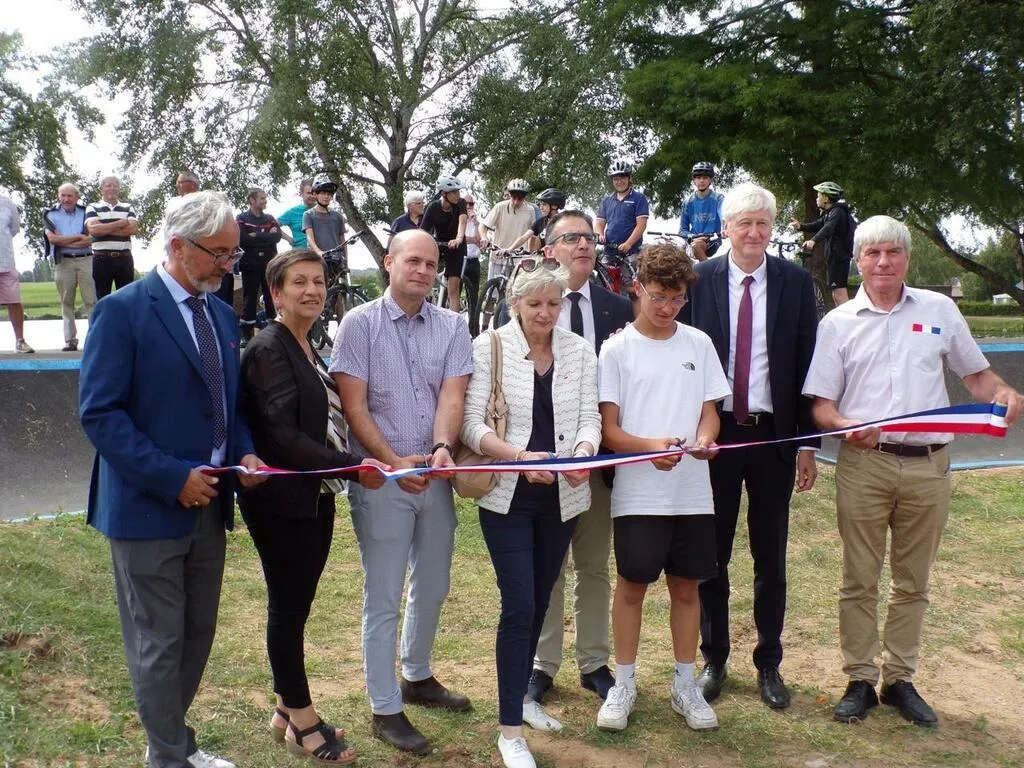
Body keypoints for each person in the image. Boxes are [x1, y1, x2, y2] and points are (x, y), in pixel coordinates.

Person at [802, 215, 1024, 727]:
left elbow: (977, 376)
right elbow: (821, 407)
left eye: (893, 253)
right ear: (857, 260)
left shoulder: (939, 309)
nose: (883, 262)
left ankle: (899, 678)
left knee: (913, 581)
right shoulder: (837, 324)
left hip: (929, 467)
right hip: (864, 466)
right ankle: (859, 678)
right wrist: (845, 425)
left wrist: (1003, 393)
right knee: (859, 578)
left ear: (906, 259)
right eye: (873, 253)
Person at [79, 190, 266, 768]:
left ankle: (170, 743)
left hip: (209, 505)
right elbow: (100, 415)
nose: (229, 265)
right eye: (220, 254)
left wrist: (246, 455)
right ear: (178, 246)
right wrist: (172, 477)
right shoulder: (123, 311)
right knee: (159, 642)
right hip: (147, 508)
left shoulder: (222, 313)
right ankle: (167, 757)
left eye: (234, 255)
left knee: (196, 633)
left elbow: (226, 406)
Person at [239, 249, 389, 765]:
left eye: (319, 282)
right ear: (275, 293)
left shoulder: (306, 346)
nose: (312, 291)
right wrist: (351, 465)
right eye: (298, 282)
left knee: (297, 605)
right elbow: (280, 438)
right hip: (283, 500)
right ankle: (302, 719)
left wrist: (342, 468)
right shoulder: (268, 348)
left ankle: (285, 710)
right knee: (288, 606)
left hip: (315, 495)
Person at [330, 229, 474, 755]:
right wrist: (392, 463)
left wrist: (441, 448)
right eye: (411, 260)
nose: (421, 270)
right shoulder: (358, 325)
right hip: (382, 478)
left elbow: (452, 395)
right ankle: (385, 705)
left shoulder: (454, 326)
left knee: (433, 583)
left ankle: (416, 674)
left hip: (434, 473)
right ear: (388, 262)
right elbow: (355, 407)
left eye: (431, 263)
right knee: (385, 594)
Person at [681, 182, 820, 711]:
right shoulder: (701, 280)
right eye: (745, 223)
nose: (754, 232)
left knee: (771, 556)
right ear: (726, 228)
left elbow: (807, 366)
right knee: (710, 552)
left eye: (763, 223)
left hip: (775, 437)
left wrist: (807, 443)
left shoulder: (794, 281)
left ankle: (770, 662)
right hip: (717, 437)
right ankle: (714, 657)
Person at [462, 256, 601, 768]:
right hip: (507, 496)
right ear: (514, 303)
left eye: (554, 303)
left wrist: (584, 454)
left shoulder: (580, 350)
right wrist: (519, 459)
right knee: (519, 605)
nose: (546, 313)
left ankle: (522, 695)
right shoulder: (489, 346)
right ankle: (510, 729)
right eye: (535, 303)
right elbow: (471, 427)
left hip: (562, 498)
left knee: (541, 599)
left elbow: (590, 419)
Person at [595, 243, 731, 733]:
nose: (667, 308)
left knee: (687, 587)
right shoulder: (616, 349)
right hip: (637, 492)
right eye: (658, 297)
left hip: (694, 491)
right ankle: (623, 685)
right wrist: (650, 446)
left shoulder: (698, 344)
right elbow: (609, 431)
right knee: (631, 586)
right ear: (637, 288)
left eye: (676, 299)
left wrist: (706, 440)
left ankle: (684, 683)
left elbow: (710, 412)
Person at [520, 211, 632, 706]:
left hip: (600, 459)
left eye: (589, 237)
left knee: (592, 564)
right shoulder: (529, 308)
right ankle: (543, 665)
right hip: (541, 460)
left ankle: (594, 661)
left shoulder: (618, 308)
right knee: (549, 566)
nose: (583, 245)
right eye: (570, 238)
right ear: (549, 250)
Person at [43, 182, 96, 351]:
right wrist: (78, 238)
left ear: (77, 197)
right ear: (58, 196)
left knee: (91, 301)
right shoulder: (50, 214)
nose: (66, 199)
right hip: (63, 262)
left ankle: (95, 338)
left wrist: (65, 239)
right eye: (62, 195)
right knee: (67, 301)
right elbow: (53, 240)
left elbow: (90, 239)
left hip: (86, 259)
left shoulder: (87, 212)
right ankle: (70, 340)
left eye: (69, 196)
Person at [789, 181, 856, 306]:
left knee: (840, 293)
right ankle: (841, 322)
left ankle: (847, 324)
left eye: (819, 195)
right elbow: (818, 225)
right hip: (834, 257)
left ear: (826, 197)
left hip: (839, 257)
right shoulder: (830, 213)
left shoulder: (838, 212)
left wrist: (813, 240)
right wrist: (800, 226)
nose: (816, 198)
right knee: (836, 294)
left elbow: (828, 228)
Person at [237, 188, 283, 345]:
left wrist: (256, 235)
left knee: (271, 297)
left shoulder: (270, 218)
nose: (265, 201)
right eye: (262, 198)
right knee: (249, 298)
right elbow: (243, 239)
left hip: (269, 264)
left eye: (265, 198)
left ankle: (273, 331)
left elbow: (277, 237)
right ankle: (246, 335)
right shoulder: (241, 218)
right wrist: (266, 235)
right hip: (250, 265)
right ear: (252, 200)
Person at [419, 176, 468, 314]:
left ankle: (454, 324)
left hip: (456, 246)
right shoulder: (433, 207)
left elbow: (463, 222)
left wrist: (458, 238)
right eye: (454, 192)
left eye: (458, 192)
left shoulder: (461, 203)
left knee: (453, 288)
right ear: (443, 194)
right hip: (439, 244)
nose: (458, 195)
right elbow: (423, 232)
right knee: (425, 275)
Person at [86, 174, 138, 299]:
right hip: (101, 259)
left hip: (124, 258)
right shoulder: (93, 207)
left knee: (127, 298)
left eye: (115, 185)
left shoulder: (128, 207)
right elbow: (93, 230)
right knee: (102, 298)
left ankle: (125, 320)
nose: (112, 188)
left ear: (119, 189)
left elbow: (133, 229)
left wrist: (104, 228)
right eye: (108, 185)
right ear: (101, 189)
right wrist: (120, 223)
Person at [595, 160, 649, 258]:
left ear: (629, 178)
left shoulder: (639, 198)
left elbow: (641, 225)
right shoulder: (606, 200)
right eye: (616, 179)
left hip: (632, 252)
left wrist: (628, 243)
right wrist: (600, 234)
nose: (619, 182)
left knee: (632, 273)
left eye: (623, 177)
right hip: (609, 251)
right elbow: (599, 222)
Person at [0, 192, 33, 352]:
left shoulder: (7, 203)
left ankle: (20, 341)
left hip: (6, 261)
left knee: (14, 301)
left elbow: (14, 229)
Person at [679, 161, 724, 262]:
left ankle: (706, 272)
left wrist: (725, 228)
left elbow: (724, 217)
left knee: (697, 247)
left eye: (705, 178)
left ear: (710, 180)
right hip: (694, 239)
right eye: (698, 178)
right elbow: (682, 230)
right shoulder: (687, 202)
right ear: (694, 180)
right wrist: (692, 237)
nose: (702, 181)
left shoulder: (719, 199)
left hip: (713, 239)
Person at [481, 179, 536, 251]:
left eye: (520, 199)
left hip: (519, 256)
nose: (516, 202)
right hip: (498, 255)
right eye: (514, 198)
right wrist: (484, 236)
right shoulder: (500, 207)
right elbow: (483, 225)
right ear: (510, 195)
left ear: (525, 197)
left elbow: (532, 234)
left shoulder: (530, 210)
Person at [303, 175, 347, 258]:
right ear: (315, 195)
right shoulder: (308, 214)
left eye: (329, 194)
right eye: (323, 193)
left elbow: (342, 240)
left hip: (336, 259)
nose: (326, 197)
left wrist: (345, 261)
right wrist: (318, 252)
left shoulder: (338, 216)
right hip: (317, 258)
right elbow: (309, 237)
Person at [510, 188, 566, 253]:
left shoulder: (564, 222)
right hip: (546, 261)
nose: (541, 207)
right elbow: (524, 237)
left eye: (544, 204)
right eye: (540, 204)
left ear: (554, 206)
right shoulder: (540, 222)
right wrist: (509, 249)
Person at [462, 192, 482, 337]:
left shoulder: (478, 223)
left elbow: (479, 240)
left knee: (473, 298)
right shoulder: (459, 221)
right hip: (460, 259)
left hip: (473, 261)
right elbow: (460, 238)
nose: (469, 207)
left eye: (472, 204)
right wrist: (469, 239)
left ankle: (473, 331)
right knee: (454, 295)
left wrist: (475, 224)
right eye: (466, 204)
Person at [278, 179, 315, 249]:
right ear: (301, 193)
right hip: (300, 254)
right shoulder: (293, 212)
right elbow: (273, 225)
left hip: (319, 254)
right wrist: (288, 238)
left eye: (313, 193)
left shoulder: (322, 210)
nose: (311, 196)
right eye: (309, 193)